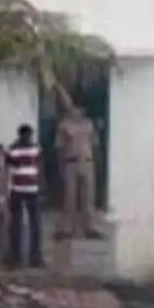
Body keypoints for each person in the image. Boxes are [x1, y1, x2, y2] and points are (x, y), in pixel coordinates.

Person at [55, 101, 102, 239]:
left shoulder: (88, 124)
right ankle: (67, 228)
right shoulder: (64, 125)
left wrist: (96, 163)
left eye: (78, 108)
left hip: (87, 162)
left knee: (88, 197)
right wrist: (60, 166)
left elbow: (95, 145)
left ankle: (90, 227)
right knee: (70, 197)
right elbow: (60, 148)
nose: (75, 111)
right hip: (71, 162)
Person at [6, 124, 44, 268]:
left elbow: (40, 167)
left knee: (35, 225)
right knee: (16, 224)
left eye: (30, 135)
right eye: (26, 135)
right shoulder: (13, 149)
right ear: (21, 135)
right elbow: (7, 169)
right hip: (17, 190)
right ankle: (16, 258)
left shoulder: (36, 148)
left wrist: (41, 185)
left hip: (33, 190)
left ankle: (35, 258)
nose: (28, 138)